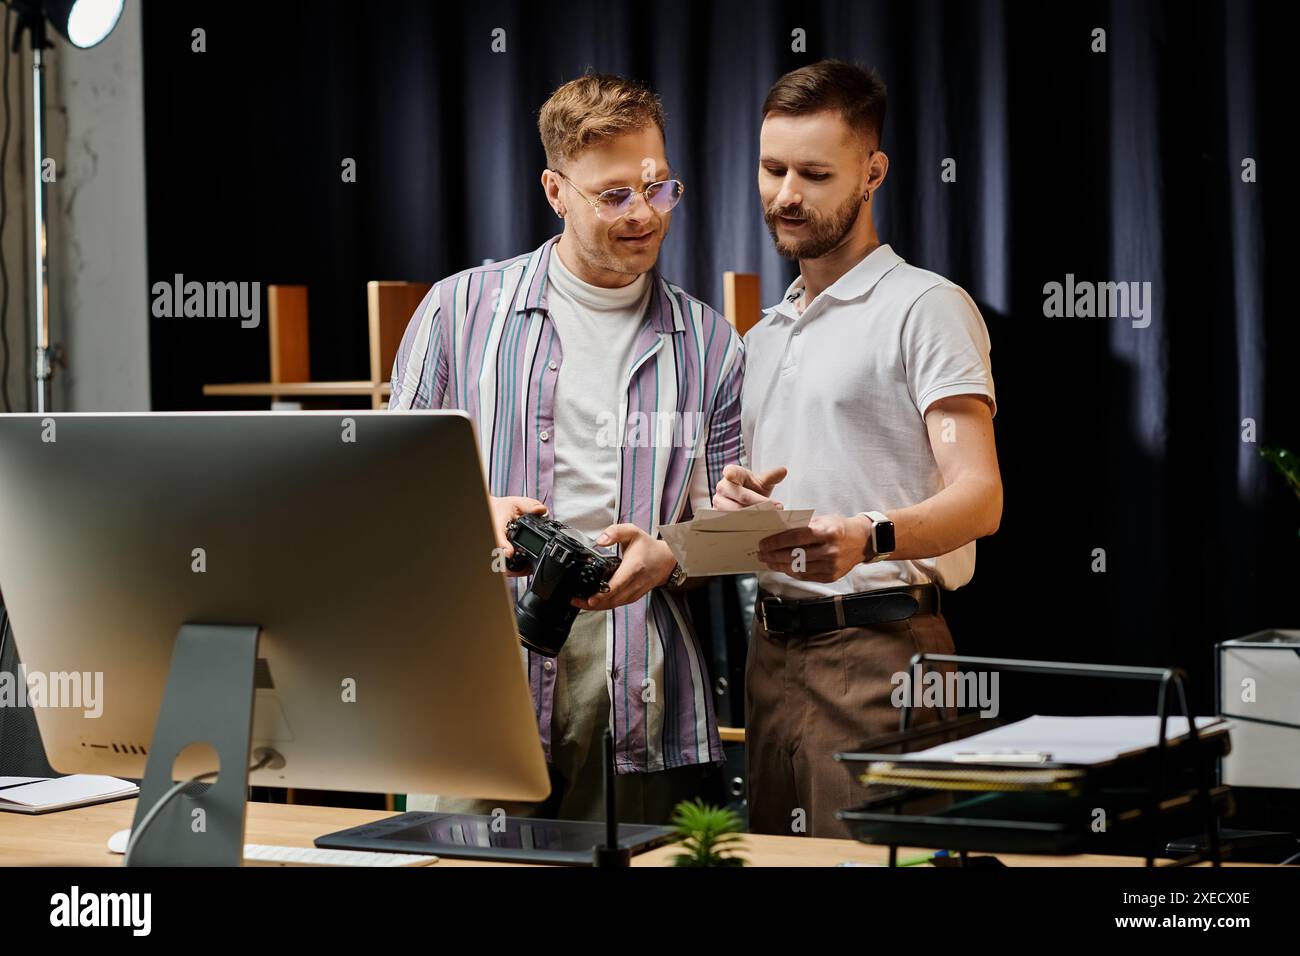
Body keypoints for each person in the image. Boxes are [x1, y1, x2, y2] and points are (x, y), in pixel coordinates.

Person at [389, 73, 744, 824]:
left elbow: (730, 529)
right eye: (613, 196)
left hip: (637, 689)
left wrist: (675, 552)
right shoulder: (457, 311)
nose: (643, 214)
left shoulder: (712, 343)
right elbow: (379, 487)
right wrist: (469, 516)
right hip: (475, 676)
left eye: (658, 189)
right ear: (555, 190)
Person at [714, 61, 1003, 837]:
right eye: (773, 169)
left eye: (814, 173)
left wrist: (866, 534)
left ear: (872, 172)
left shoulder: (925, 308)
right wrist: (733, 505)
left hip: (887, 652)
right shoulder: (762, 337)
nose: (785, 194)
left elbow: (980, 496)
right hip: (769, 658)